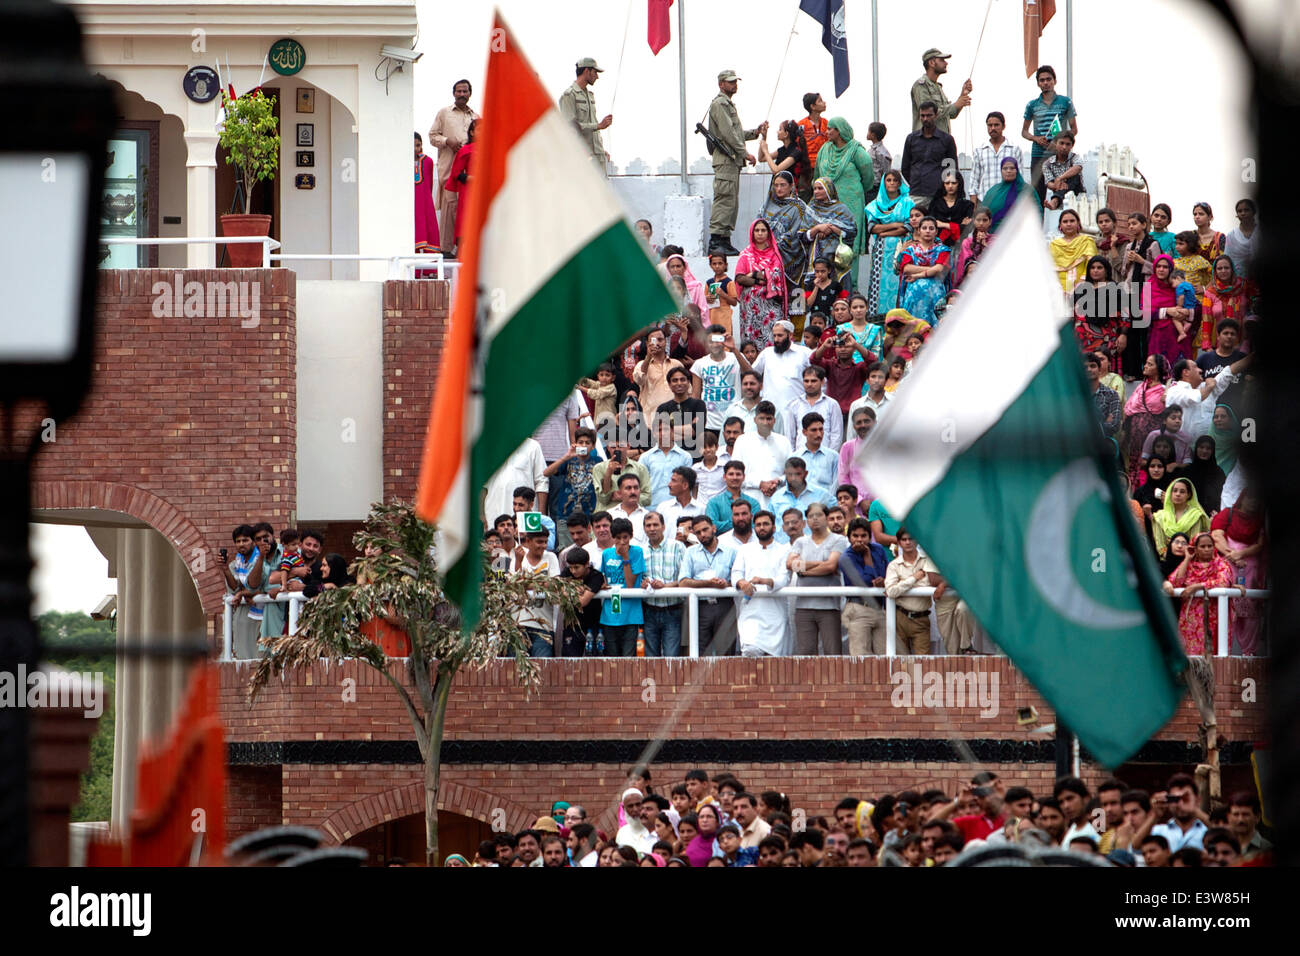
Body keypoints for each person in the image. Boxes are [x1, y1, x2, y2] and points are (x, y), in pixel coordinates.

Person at [707, 70, 765, 256]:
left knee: (730, 201)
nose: (734, 85)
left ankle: (724, 240)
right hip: (726, 159)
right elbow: (728, 134)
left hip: (730, 161)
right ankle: (716, 242)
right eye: (730, 82)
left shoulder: (727, 104)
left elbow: (736, 133)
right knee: (725, 200)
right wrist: (745, 153)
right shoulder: (720, 104)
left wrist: (755, 132)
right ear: (721, 84)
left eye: (735, 81)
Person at [813, 119, 874, 288]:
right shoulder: (824, 150)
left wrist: (855, 190)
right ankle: (826, 288)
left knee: (848, 247)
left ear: (839, 131)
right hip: (826, 207)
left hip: (852, 203)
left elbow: (868, 177)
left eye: (831, 129)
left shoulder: (856, 151)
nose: (827, 132)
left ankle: (849, 289)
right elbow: (817, 174)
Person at [784, 502, 847, 655]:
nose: (815, 519)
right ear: (806, 521)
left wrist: (803, 570)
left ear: (826, 518)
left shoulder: (838, 540)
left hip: (829, 606)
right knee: (806, 654)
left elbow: (831, 566)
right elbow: (790, 564)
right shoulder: (800, 542)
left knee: (832, 654)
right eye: (811, 516)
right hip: (803, 606)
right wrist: (819, 564)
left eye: (819, 515)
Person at [1211, 489, 1266, 656]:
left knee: (1250, 612)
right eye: (1250, 497)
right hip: (1227, 568)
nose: (1253, 502)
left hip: (1251, 570)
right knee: (1226, 608)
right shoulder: (1227, 514)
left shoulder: (1260, 520)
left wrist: (1241, 554)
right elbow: (1216, 535)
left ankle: (1249, 654)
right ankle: (1223, 653)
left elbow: (1260, 544)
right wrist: (1232, 556)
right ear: (1242, 498)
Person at [731, 510, 792, 657]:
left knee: (775, 662)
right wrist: (741, 583)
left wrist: (765, 581)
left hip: (775, 613)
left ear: (774, 527)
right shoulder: (745, 549)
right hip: (751, 611)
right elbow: (736, 573)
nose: (762, 527)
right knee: (750, 651)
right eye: (758, 525)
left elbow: (784, 578)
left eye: (765, 524)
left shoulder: (784, 550)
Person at [428, 79, 477, 250]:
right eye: (459, 91)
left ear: (470, 93)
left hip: (469, 177)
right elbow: (432, 136)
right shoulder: (444, 113)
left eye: (465, 91)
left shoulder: (475, 118)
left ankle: (466, 251)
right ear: (453, 93)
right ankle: (446, 251)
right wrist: (448, 141)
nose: (462, 95)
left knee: (468, 213)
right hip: (449, 172)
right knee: (449, 211)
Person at [679, 515, 739, 655]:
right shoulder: (690, 552)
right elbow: (683, 582)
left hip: (725, 605)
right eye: (698, 532)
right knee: (700, 653)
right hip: (700, 606)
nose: (703, 535)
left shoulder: (731, 552)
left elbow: (738, 580)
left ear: (714, 528)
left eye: (705, 530)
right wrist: (709, 584)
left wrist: (726, 584)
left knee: (726, 654)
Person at [1021, 65, 1077, 206]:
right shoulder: (1032, 105)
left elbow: (1074, 130)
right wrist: (1035, 138)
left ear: (1054, 81)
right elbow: (1024, 132)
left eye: (1048, 79)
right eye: (1042, 80)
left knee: (1062, 194)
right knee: (1037, 198)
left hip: (1059, 157)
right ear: (1038, 83)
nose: (1045, 83)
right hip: (1038, 155)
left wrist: (1060, 144)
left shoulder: (1066, 102)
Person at [502, 529, 561, 657]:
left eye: (545, 542)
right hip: (518, 625)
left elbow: (554, 585)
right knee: (515, 670)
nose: (543, 546)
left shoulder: (551, 557)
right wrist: (518, 562)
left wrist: (525, 583)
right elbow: (512, 585)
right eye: (539, 542)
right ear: (528, 541)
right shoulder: (517, 557)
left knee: (543, 667)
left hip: (544, 627)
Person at [863, 171, 915, 314]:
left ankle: (898, 319)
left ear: (899, 184)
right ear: (883, 183)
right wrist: (895, 225)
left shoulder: (907, 202)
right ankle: (878, 317)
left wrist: (884, 232)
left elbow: (908, 227)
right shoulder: (874, 205)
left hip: (901, 247)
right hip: (881, 251)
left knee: (898, 281)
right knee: (879, 284)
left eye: (895, 180)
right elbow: (872, 228)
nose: (891, 183)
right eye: (888, 180)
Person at [1166, 355, 1250, 441]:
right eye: (1195, 367)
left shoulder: (1205, 387)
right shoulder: (1175, 391)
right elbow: (1197, 397)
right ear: (1186, 372)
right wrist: (1210, 387)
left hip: (1208, 448)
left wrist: (1252, 357)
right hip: (1182, 447)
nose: (1201, 370)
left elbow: (1228, 373)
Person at [735, 219, 787, 348]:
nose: (760, 233)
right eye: (756, 230)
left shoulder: (774, 255)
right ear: (752, 233)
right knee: (751, 340)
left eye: (763, 230)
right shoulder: (745, 255)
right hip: (750, 306)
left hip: (770, 305)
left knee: (772, 336)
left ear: (768, 234)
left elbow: (776, 277)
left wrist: (751, 275)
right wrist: (759, 277)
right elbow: (740, 278)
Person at [640, 512, 685, 657]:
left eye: (655, 525)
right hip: (648, 610)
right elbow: (637, 579)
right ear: (644, 528)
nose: (652, 528)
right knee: (650, 658)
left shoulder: (678, 547)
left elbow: (685, 579)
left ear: (663, 527)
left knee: (671, 657)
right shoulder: (639, 551)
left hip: (672, 610)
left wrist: (665, 586)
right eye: (648, 525)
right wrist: (643, 583)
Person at [804, 177, 860, 293]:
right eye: (814, 189)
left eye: (820, 188)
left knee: (839, 293)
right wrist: (817, 229)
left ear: (829, 190)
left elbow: (852, 232)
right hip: (817, 260)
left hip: (838, 259)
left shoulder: (841, 209)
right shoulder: (810, 209)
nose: (816, 192)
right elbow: (802, 234)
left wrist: (832, 229)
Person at [599, 518, 646, 657]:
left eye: (625, 537)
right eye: (618, 538)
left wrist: (625, 557)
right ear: (612, 538)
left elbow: (631, 584)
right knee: (612, 658)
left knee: (628, 658)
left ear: (631, 536)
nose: (622, 541)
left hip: (631, 614)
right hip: (609, 614)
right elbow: (604, 577)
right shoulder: (607, 553)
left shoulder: (637, 552)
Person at [1073, 256, 1128, 371]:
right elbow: (1073, 313)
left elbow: (1125, 314)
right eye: (1092, 268)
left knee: (1104, 370)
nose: (1095, 270)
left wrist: (1123, 335)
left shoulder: (1116, 289)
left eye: (1099, 267)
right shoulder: (1081, 288)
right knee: (1084, 371)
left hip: (1106, 338)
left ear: (1106, 270)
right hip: (1083, 338)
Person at [558, 57, 612, 174]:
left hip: (597, 158)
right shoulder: (568, 96)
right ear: (587, 71)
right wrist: (598, 126)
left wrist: (601, 150)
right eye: (595, 72)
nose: (597, 76)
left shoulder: (590, 95)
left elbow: (592, 129)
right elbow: (571, 128)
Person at [884, 528, 933, 653]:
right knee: (901, 664)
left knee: (923, 663)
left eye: (910, 538)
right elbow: (891, 591)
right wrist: (913, 579)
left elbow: (929, 583)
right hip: (900, 617)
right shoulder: (894, 565)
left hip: (921, 618)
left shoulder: (927, 560)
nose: (907, 542)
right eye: (904, 539)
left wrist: (902, 584)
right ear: (899, 543)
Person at [900, 102, 957, 209]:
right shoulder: (911, 139)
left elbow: (952, 168)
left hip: (939, 195)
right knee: (914, 223)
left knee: (937, 224)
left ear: (936, 115)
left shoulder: (946, 140)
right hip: (917, 193)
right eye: (922, 116)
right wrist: (915, 181)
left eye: (929, 115)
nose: (925, 119)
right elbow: (905, 167)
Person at [898, 216, 951, 324]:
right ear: (919, 230)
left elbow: (940, 269)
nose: (928, 231)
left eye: (931, 228)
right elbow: (907, 269)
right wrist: (932, 269)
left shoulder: (943, 250)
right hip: (913, 296)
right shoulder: (910, 250)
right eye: (924, 228)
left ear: (936, 232)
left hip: (935, 295)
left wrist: (917, 275)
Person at [909, 48, 971, 136]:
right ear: (931, 63)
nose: (946, 63)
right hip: (926, 143)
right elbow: (927, 112)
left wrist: (962, 96)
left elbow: (952, 114)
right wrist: (956, 104)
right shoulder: (921, 85)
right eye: (942, 60)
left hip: (942, 142)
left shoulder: (938, 87)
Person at [753, 321, 812, 412]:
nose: (776, 339)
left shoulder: (805, 353)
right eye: (774, 336)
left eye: (780, 335)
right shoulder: (767, 353)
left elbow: (818, 378)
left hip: (798, 410)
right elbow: (752, 374)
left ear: (790, 335)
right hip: (770, 412)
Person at [544, 427, 600, 519]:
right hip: (566, 514)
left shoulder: (598, 461)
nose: (584, 445)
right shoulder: (568, 460)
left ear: (593, 446)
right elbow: (546, 473)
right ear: (576, 444)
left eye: (587, 443)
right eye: (580, 442)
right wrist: (566, 457)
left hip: (589, 515)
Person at [812, 331, 872, 417]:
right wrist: (824, 346)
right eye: (840, 346)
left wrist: (856, 345)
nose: (843, 349)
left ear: (854, 349)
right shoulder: (830, 365)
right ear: (835, 348)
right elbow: (814, 361)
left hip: (853, 413)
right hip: (832, 413)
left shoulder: (859, 368)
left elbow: (872, 362)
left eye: (847, 346)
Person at [784, 366, 844, 452]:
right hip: (800, 457)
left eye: (813, 381)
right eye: (806, 381)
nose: (809, 384)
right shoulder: (794, 405)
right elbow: (790, 435)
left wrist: (829, 456)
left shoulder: (832, 404)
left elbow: (836, 434)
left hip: (825, 456)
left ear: (822, 382)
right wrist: (794, 456)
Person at [655, 367, 708, 461]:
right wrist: (689, 427)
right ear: (669, 384)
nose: (679, 383)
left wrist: (670, 429)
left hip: (694, 456)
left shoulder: (698, 404)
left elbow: (696, 430)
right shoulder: (663, 408)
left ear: (688, 382)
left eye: (682, 379)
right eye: (675, 380)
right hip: (670, 457)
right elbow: (662, 436)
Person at [969, 112, 1023, 204]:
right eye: (990, 125)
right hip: (984, 201)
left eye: (996, 125)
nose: (993, 128)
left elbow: (1019, 178)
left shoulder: (1014, 149)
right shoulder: (980, 150)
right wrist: (973, 207)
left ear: (1003, 126)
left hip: (1008, 201)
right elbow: (974, 181)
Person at [1152, 477, 1210, 560]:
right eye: (1174, 491)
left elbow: (1193, 543)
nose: (1178, 494)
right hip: (1166, 562)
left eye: (1182, 492)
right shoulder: (1160, 516)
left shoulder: (1195, 515)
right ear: (1170, 493)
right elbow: (1160, 545)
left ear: (1189, 495)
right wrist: (1170, 558)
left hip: (1188, 561)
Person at [442, 118, 477, 252]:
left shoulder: (489, 150)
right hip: (468, 192)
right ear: (472, 132)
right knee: (466, 220)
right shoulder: (465, 150)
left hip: (484, 192)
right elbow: (456, 173)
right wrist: (471, 178)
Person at [633, 327, 685, 415]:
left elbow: (687, 390)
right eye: (653, 340)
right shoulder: (641, 365)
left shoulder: (676, 364)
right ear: (647, 343)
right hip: (650, 418)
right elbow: (639, 380)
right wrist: (648, 357)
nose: (657, 343)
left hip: (676, 418)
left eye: (660, 340)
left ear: (665, 342)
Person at [758, 119, 813, 201]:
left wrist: (765, 150)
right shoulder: (781, 150)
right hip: (779, 190)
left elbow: (776, 170)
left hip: (790, 193)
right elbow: (761, 158)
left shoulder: (796, 151)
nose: (777, 132)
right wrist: (764, 137)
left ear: (786, 134)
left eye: (780, 129)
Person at [1048, 209, 1097, 293]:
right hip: (1058, 287)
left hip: (1082, 286)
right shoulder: (1054, 244)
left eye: (1072, 221)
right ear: (1060, 225)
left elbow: (1092, 264)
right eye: (1065, 221)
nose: (1069, 224)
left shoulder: (1086, 241)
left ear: (1078, 223)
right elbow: (1050, 267)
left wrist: (1082, 281)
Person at [705, 461, 760, 534]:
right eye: (731, 474)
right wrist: (741, 523)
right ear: (724, 477)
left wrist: (725, 524)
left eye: (738, 474)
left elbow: (756, 526)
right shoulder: (714, 502)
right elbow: (712, 526)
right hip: (722, 544)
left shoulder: (753, 503)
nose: (735, 477)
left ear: (743, 477)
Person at [981, 156, 1030, 235]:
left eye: (1012, 168)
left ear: (1017, 170)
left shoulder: (1026, 189)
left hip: (1019, 236)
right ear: (1001, 171)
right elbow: (983, 213)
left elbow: (1037, 211)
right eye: (1005, 168)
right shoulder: (993, 191)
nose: (1008, 171)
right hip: (992, 237)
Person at [413, 133, 441, 256]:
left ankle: (432, 270)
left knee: (430, 231)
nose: (415, 149)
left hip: (425, 203)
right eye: (412, 145)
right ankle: (415, 271)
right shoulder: (401, 162)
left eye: (418, 145)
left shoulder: (428, 161)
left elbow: (429, 184)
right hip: (411, 204)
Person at [1041, 131, 1085, 210]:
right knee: (1063, 184)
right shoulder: (1048, 164)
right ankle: (1056, 200)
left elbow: (1078, 167)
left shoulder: (1075, 157)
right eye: (1061, 143)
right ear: (1055, 144)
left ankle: (1055, 201)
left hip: (1076, 191)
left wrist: (1060, 178)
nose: (1064, 147)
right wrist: (1057, 185)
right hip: (1058, 190)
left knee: (1075, 176)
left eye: (1068, 144)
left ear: (1072, 146)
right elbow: (1048, 183)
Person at [1184, 436, 1227, 514]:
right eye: (1201, 447)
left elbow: (1223, 494)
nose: (1204, 451)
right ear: (1196, 448)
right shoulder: (1187, 471)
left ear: (1212, 451)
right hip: (1189, 514)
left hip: (1212, 515)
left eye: (1208, 448)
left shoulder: (1218, 472)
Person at [928, 169, 973, 235]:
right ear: (943, 184)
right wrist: (957, 226)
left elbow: (967, 229)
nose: (950, 186)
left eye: (954, 183)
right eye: (947, 183)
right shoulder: (935, 203)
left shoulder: (967, 205)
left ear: (959, 184)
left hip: (959, 242)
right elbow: (931, 224)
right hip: (937, 242)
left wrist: (942, 224)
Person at [1224, 198, 1258, 279]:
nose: (1243, 213)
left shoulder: (1262, 233)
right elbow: (1227, 260)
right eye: (1239, 211)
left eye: (1246, 210)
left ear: (1254, 212)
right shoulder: (1232, 236)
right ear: (1237, 215)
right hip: (1238, 281)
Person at [798, 92, 829, 169]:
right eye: (820, 101)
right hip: (807, 167)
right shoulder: (802, 124)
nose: (824, 102)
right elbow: (797, 145)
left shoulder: (826, 123)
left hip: (825, 164)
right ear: (813, 106)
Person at [864, 122, 891, 194]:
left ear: (873, 135)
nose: (867, 133)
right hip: (869, 186)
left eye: (868, 131)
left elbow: (886, 171)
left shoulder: (881, 152)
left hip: (876, 188)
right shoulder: (871, 150)